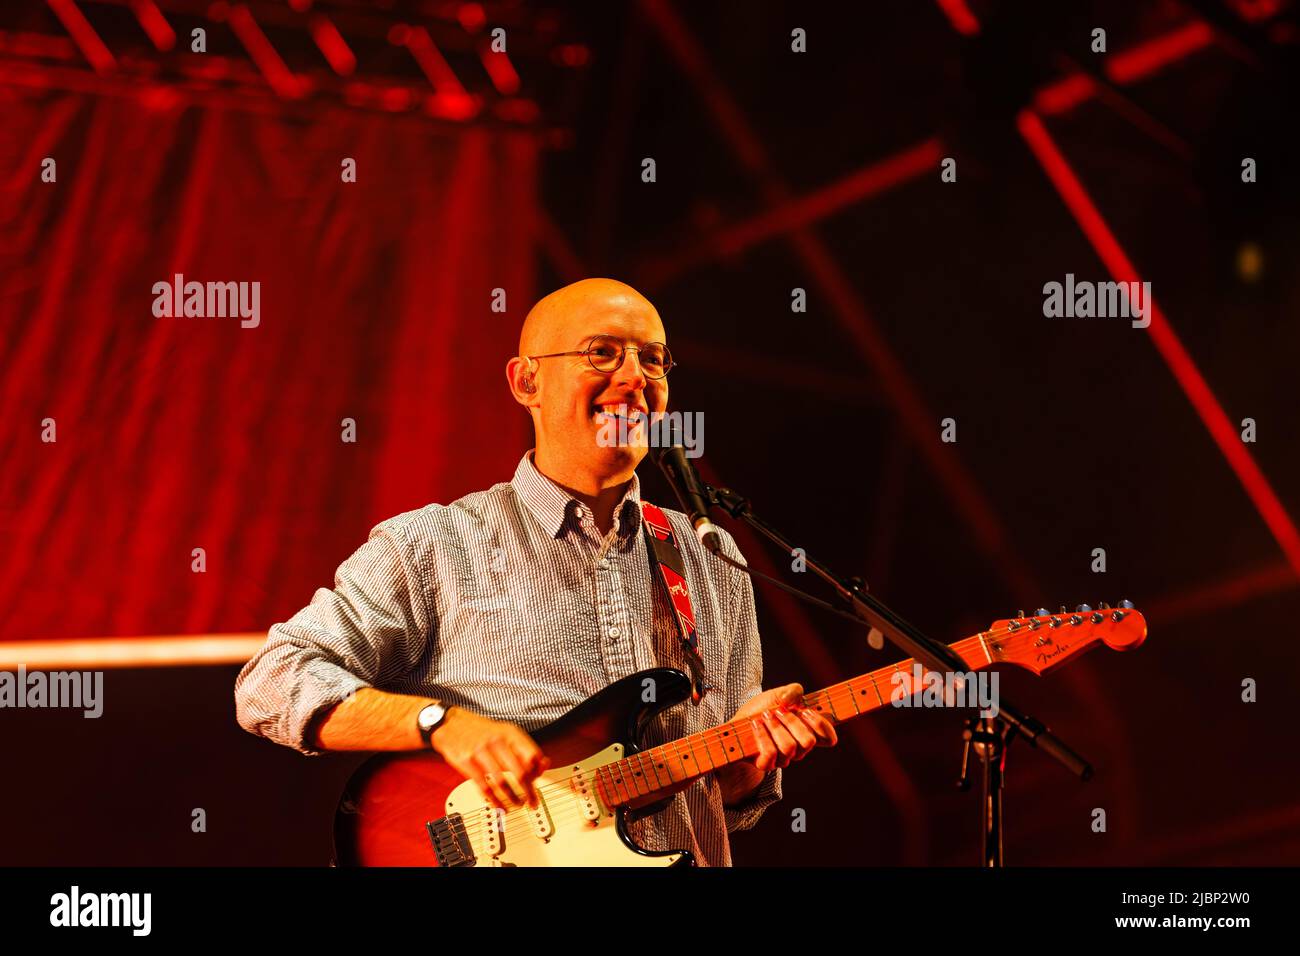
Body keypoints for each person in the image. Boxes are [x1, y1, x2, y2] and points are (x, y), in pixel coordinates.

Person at [234, 277, 837, 866]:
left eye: (653, 359)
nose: (635, 378)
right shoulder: (433, 544)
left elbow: (723, 806)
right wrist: (440, 724)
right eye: (603, 352)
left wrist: (741, 769)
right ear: (527, 382)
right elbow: (273, 681)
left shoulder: (710, 555)